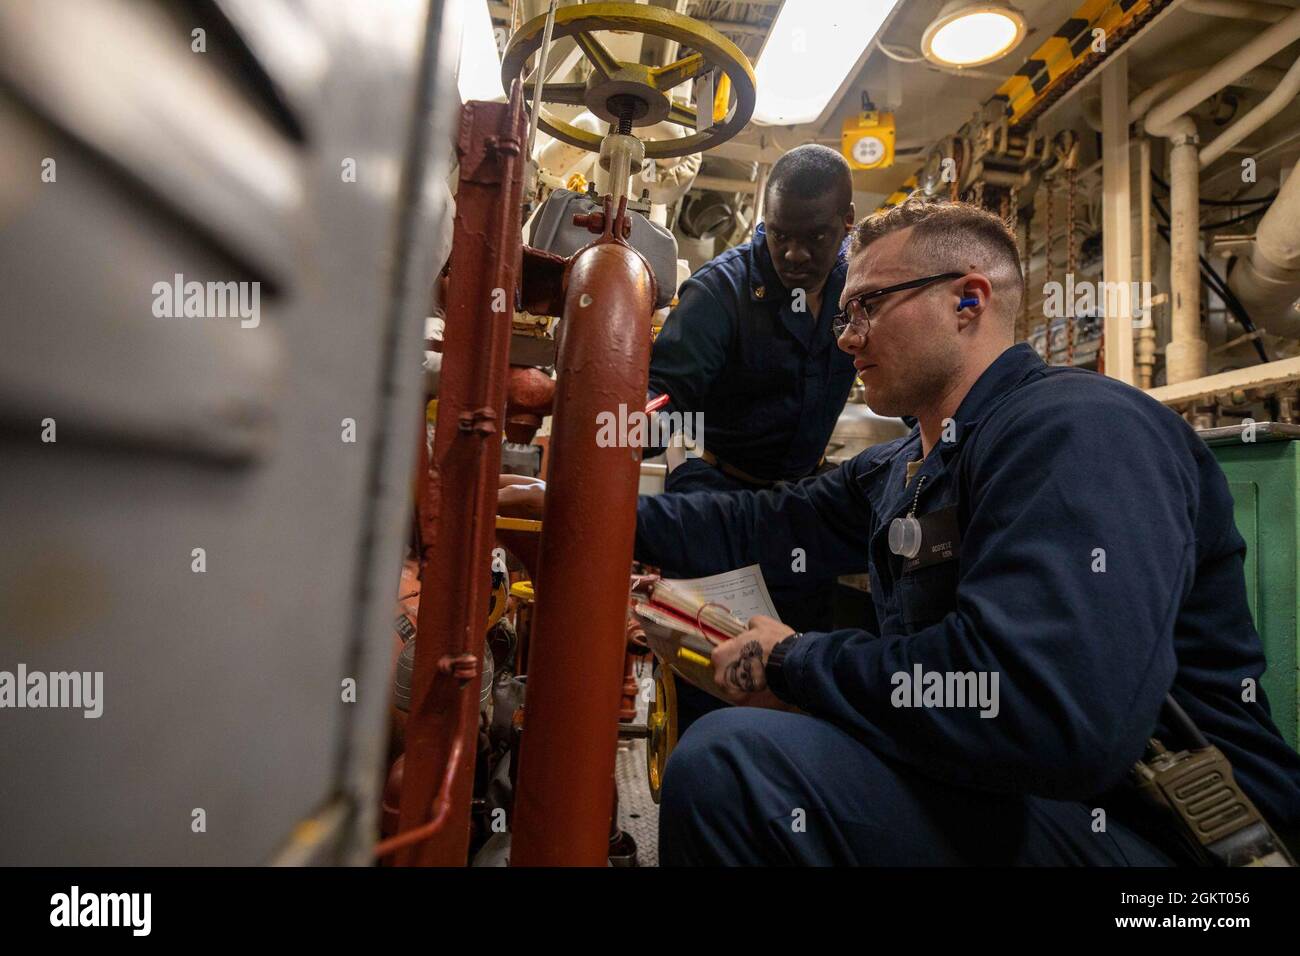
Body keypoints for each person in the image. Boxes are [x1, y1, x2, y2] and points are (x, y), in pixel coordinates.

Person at [501, 199, 1300, 865]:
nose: (847, 339)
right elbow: (761, 522)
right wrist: (579, 506)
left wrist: (796, 663)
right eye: (844, 312)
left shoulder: (1079, 430)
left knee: (737, 768)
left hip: (1180, 854)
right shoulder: (906, 466)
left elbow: (1042, 711)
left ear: (968, 301)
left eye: (870, 306)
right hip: (1044, 807)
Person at [647, 143, 857, 496]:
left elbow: (910, 376)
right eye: (780, 235)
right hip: (713, 484)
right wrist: (634, 420)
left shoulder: (860, 287)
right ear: (766, 219)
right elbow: (668, 396)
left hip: (803, 487)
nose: (794, 254)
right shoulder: (717, 292)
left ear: (847, 220)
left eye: (815, 236)